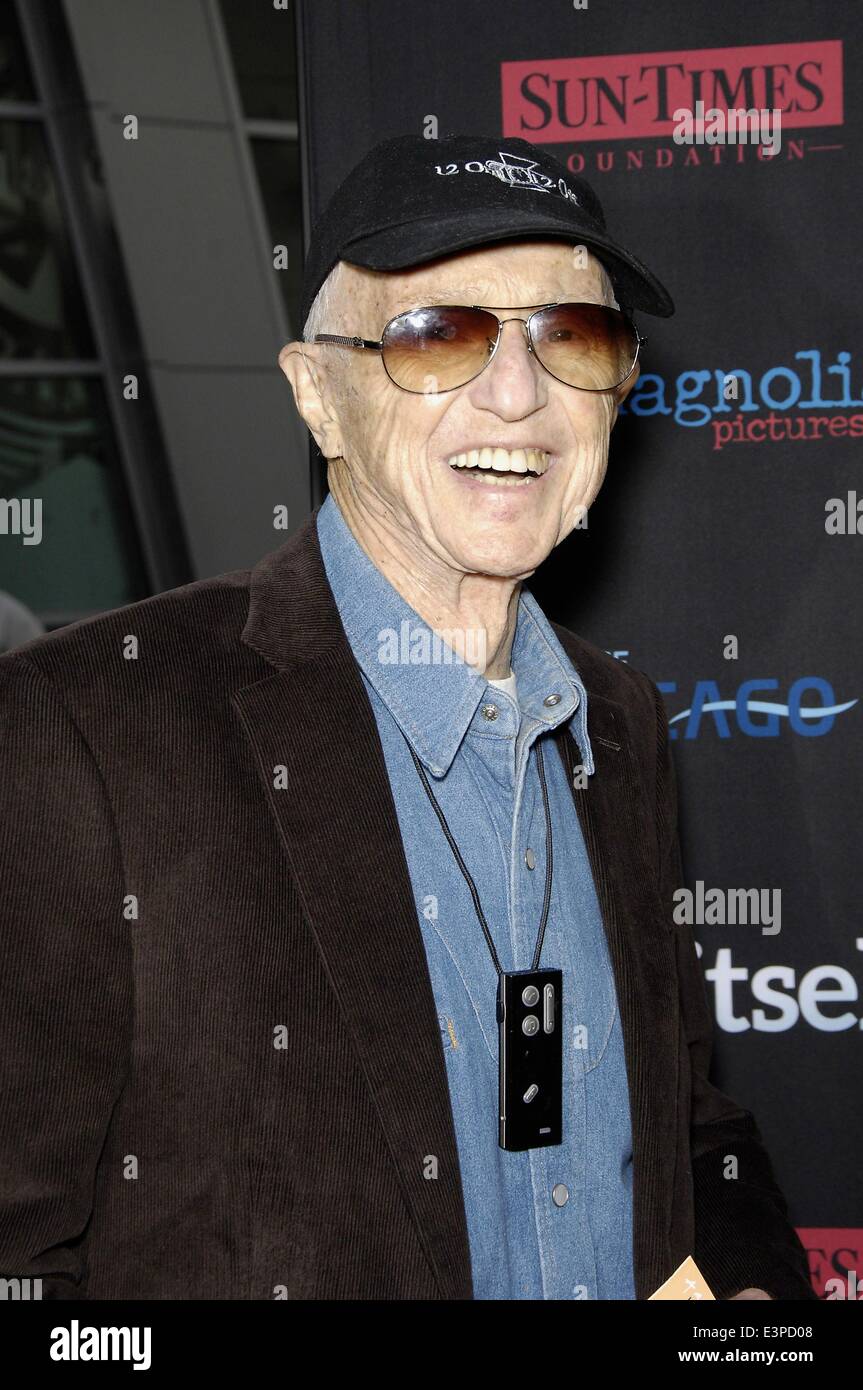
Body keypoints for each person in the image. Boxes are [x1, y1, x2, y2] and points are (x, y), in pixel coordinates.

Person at [0, 133, 815, 1300]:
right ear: (316, 394)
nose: (519, 392)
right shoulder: (80, 730)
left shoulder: (617, 724)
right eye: (441, 333)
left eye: (570, 336)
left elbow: (689, 1127)